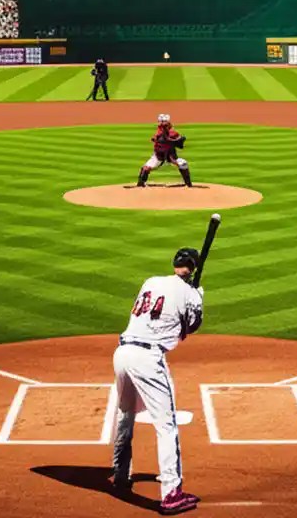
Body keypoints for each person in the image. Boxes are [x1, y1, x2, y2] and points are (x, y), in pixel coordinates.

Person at [110, 247, 205, 514]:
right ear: (194, 268)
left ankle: (120, 473)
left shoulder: (151, 281)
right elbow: (190, 328)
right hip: (148, 359)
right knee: (166, 425)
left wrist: (191, 295)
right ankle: (171, 493)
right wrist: (197, 298)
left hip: (123, 353)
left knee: (126, 413)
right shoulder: (189, 292)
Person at [137, 114, 193, 188]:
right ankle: (141, 184)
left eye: (165, 124)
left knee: (183, 164)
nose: (164, 126)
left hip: (171, 155)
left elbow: (180, 143)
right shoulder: (158, 134)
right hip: (159, 156)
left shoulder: (173, 133)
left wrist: (178, 140)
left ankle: (188, 184)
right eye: (162, 123)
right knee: (145, 168)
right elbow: (156, 138)